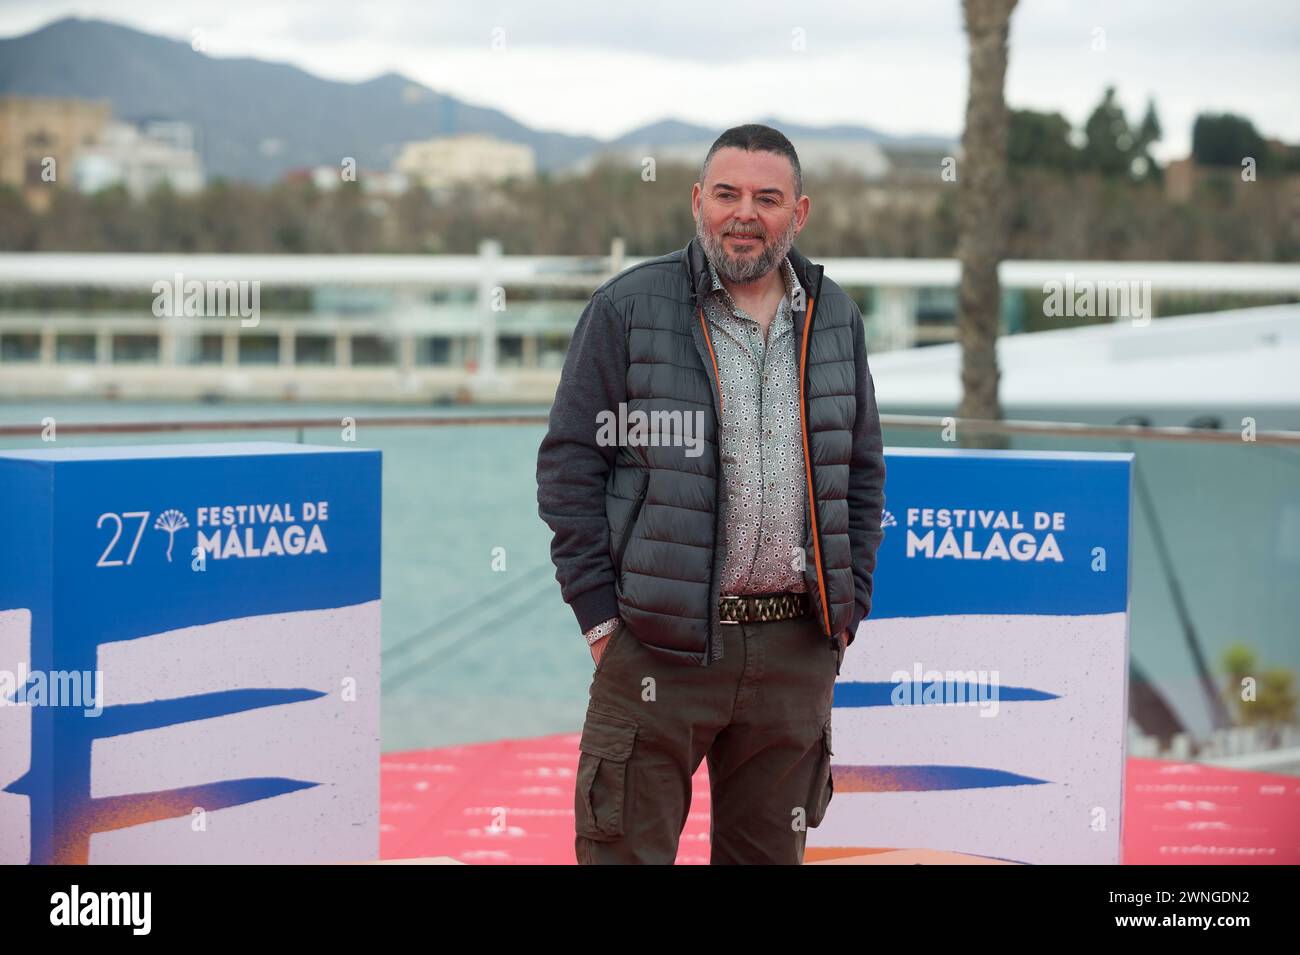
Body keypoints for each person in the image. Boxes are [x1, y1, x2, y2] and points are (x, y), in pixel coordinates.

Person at [536, 123, 886, 864]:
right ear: (698, 200)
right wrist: (600, 620)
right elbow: (570, 464)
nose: (744, 212)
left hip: (796, 648)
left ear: (800, 212)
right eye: (726, 193)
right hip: (658, 649)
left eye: (768, 197)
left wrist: (844, 616)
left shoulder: (836, 320)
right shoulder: (627, 308)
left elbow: (860, 471)